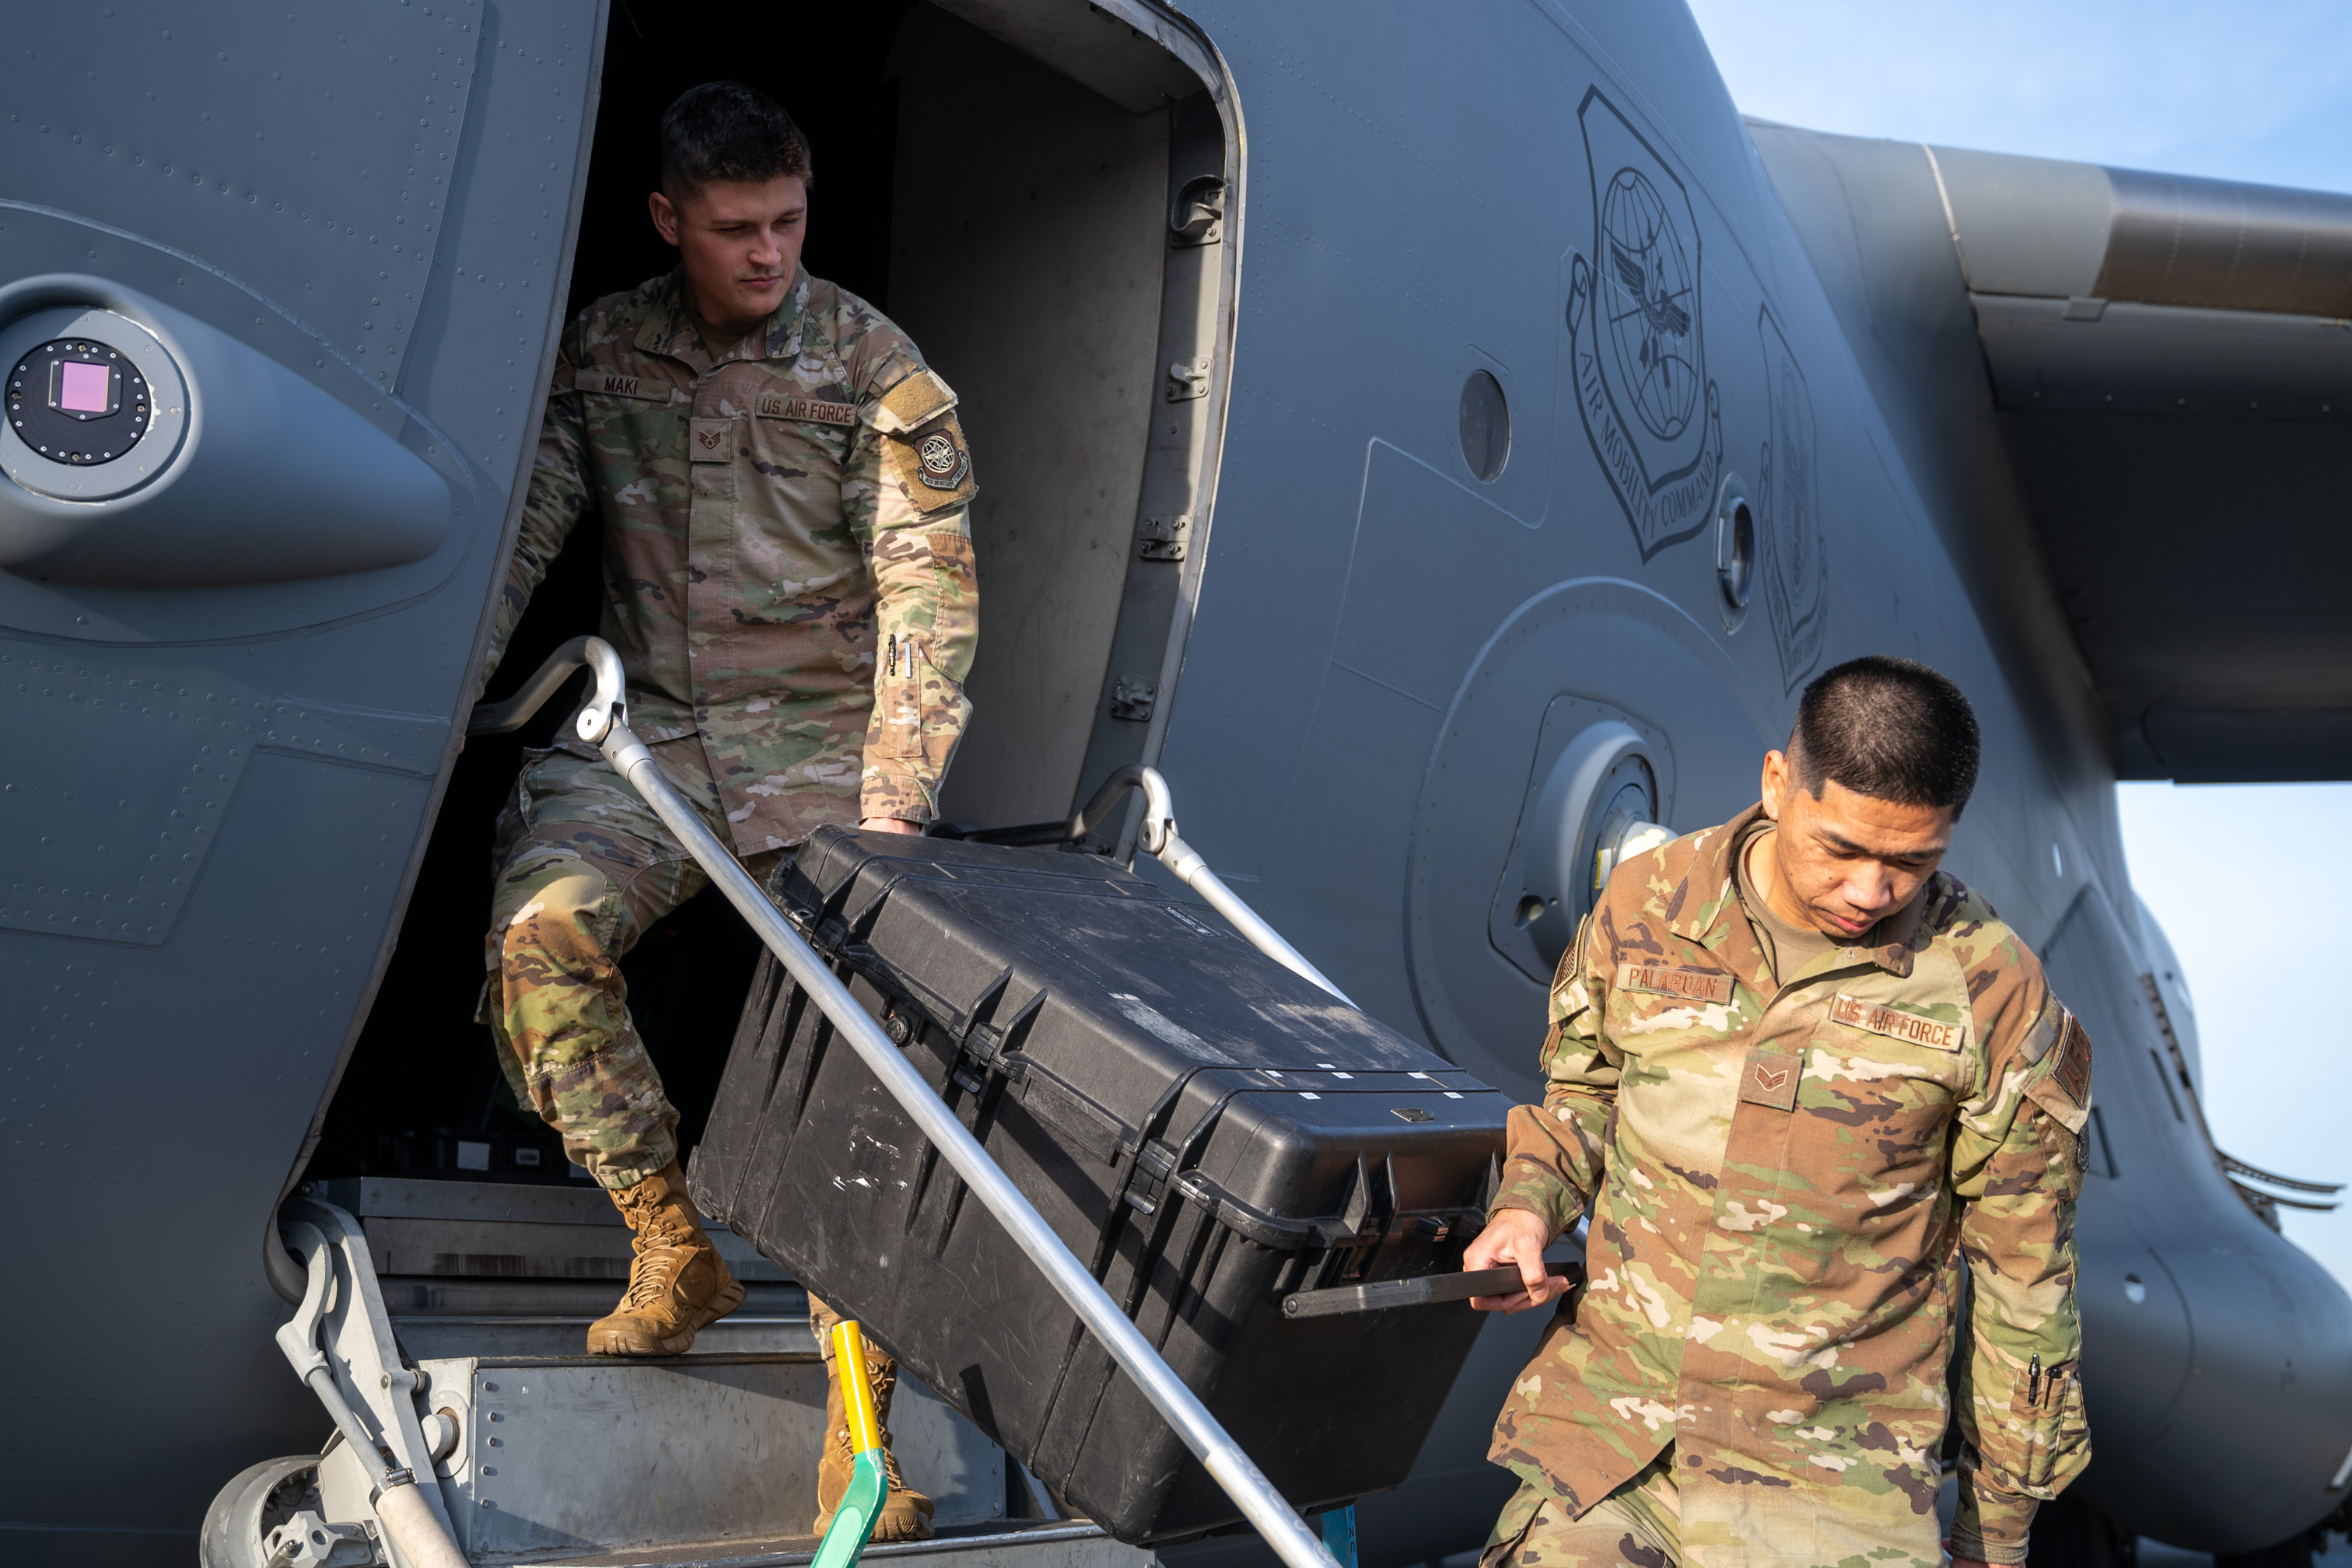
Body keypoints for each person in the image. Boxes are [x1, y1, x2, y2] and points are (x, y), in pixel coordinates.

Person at [474, 80, 977, 1542]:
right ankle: (665, 1242)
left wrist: (893, 802)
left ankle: (861, 1436)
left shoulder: (874, 372)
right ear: (666, 220)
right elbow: (528, 533)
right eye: (737, 228)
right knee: (536, 941)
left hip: (825, 750)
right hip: (657, 743)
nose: (769, 254)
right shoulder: (608, 351)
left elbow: (929, 606)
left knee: (853, 1051)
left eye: (789, 222)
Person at [1465, 656, 2091, 1568]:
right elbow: (1584, 1094)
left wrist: (1992, 1536)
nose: (1873, 891)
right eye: (1842, 848)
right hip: (1616, 1455)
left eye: (1913, 861)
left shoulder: (1989, 991)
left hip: (1839, 1492)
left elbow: (2023, 1282)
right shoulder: (1650, 907)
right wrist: (1525, 1207)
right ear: (1775, 783)